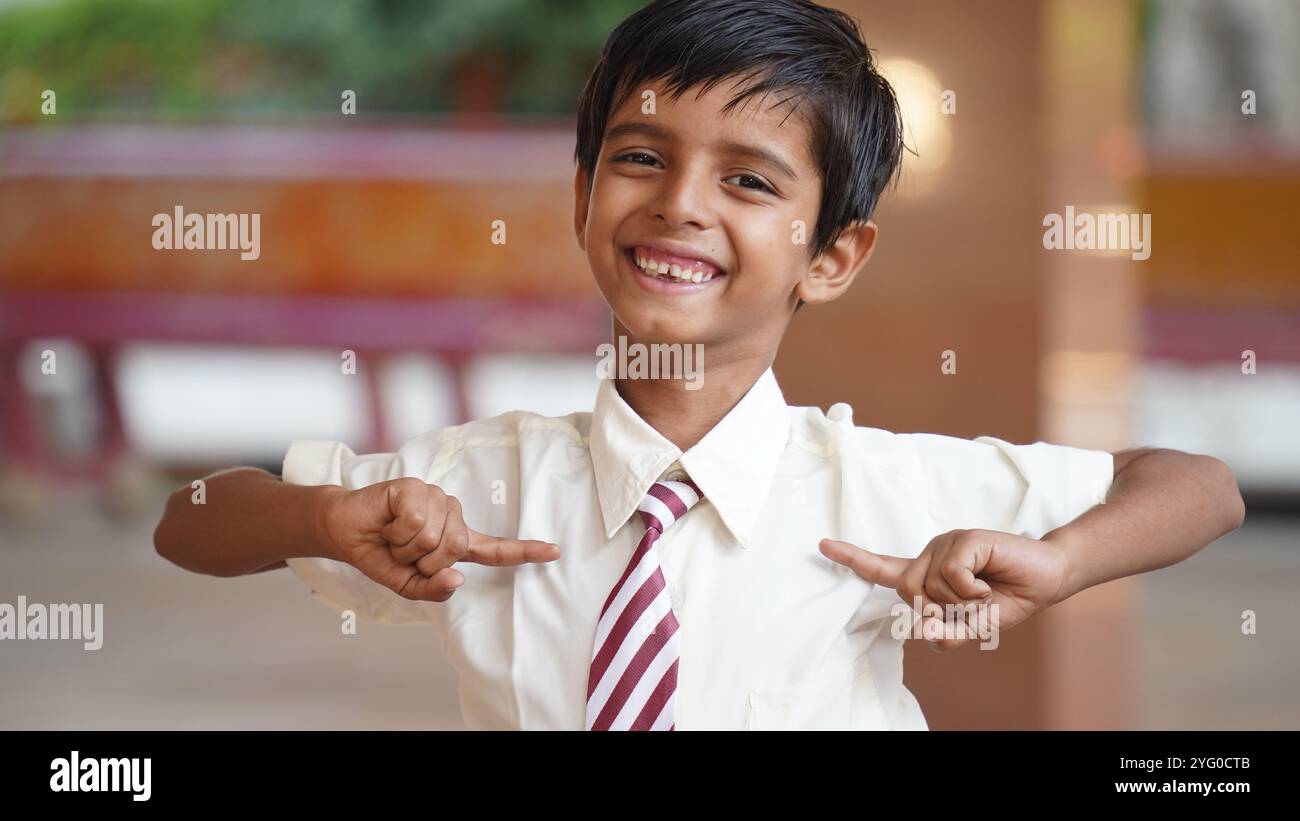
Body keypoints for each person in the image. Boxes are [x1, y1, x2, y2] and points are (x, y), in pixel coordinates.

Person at [154, 0, 1245, 730]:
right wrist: (317, 518)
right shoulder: (467, 490)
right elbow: (190, 519)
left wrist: (1060, 562)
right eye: (640, 158)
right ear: (584, 194)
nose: (678, 202)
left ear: (831, 257)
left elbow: (1200, 483)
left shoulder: (882, 487)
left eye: (751, 181)